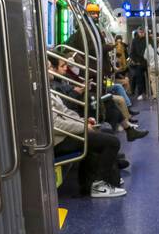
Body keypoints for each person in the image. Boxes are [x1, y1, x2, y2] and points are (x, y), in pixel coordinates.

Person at [49, 69, 127, 197]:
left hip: (64, 136)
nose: (51, 70)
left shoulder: (48, 91)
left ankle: (92, 183)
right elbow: (55, 125)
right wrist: (83, 127)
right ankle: (100, 184)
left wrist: (83, 121)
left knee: (103, 133)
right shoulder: (40, 94)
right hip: (58, 141)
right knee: (112, 142)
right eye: (49, 67)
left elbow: (66, 112)